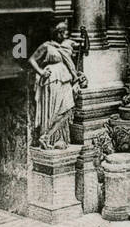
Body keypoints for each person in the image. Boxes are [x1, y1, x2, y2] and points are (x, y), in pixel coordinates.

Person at [28, 21, 87, 149]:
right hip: (53, 78)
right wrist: (41, 72)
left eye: (65, 32)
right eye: (62, 32)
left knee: (68, 108)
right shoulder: (47, 46)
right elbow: (32, 60)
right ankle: (50, 139)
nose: (64, 34)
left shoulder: (67, 44)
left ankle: (47, 137)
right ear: (56, 33)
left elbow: (84, 47)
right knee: (54, 108)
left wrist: (85, 35)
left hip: (65, 78)